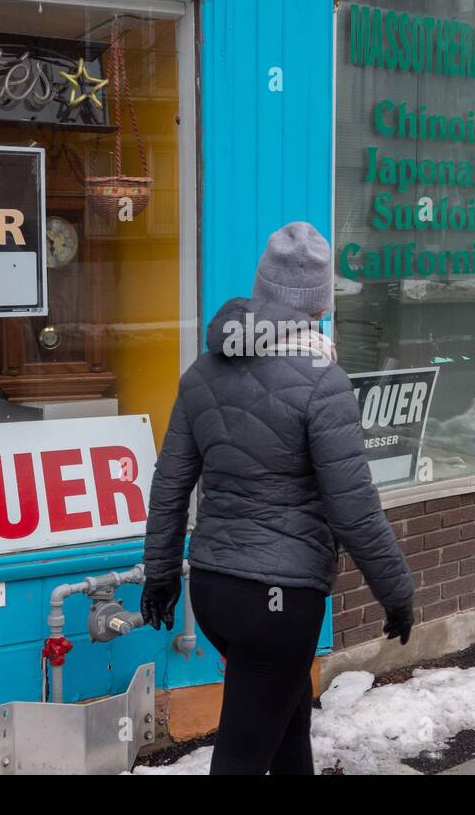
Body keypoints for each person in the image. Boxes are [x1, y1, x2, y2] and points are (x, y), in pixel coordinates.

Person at [139, 220, 415, 775]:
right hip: (279, 601)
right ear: (319, 304)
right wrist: (397, 591)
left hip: (216, 590)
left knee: (289, 727)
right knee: (243, 754)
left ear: (261, 288)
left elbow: (171, 481)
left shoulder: (204, 371)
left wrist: (161, 572)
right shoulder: (323, 379)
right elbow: (352, 506)